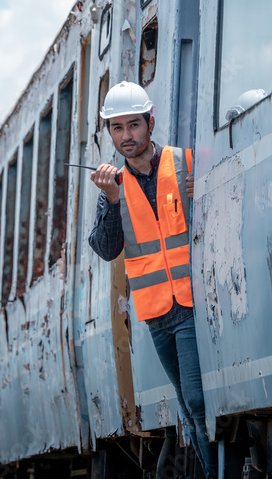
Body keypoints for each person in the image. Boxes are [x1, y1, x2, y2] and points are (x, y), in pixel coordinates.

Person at [87, 80, 216, 479]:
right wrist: (110, 200)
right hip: (157, 313)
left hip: (193, 303)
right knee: (186, 404)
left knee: (197, 400)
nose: (127, 136)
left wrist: (204, 191)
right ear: (109, 132)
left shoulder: (186, 163)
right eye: (117, 128)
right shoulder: (113, 187)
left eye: (134, 125)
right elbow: (106, 248)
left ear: (150, 122)